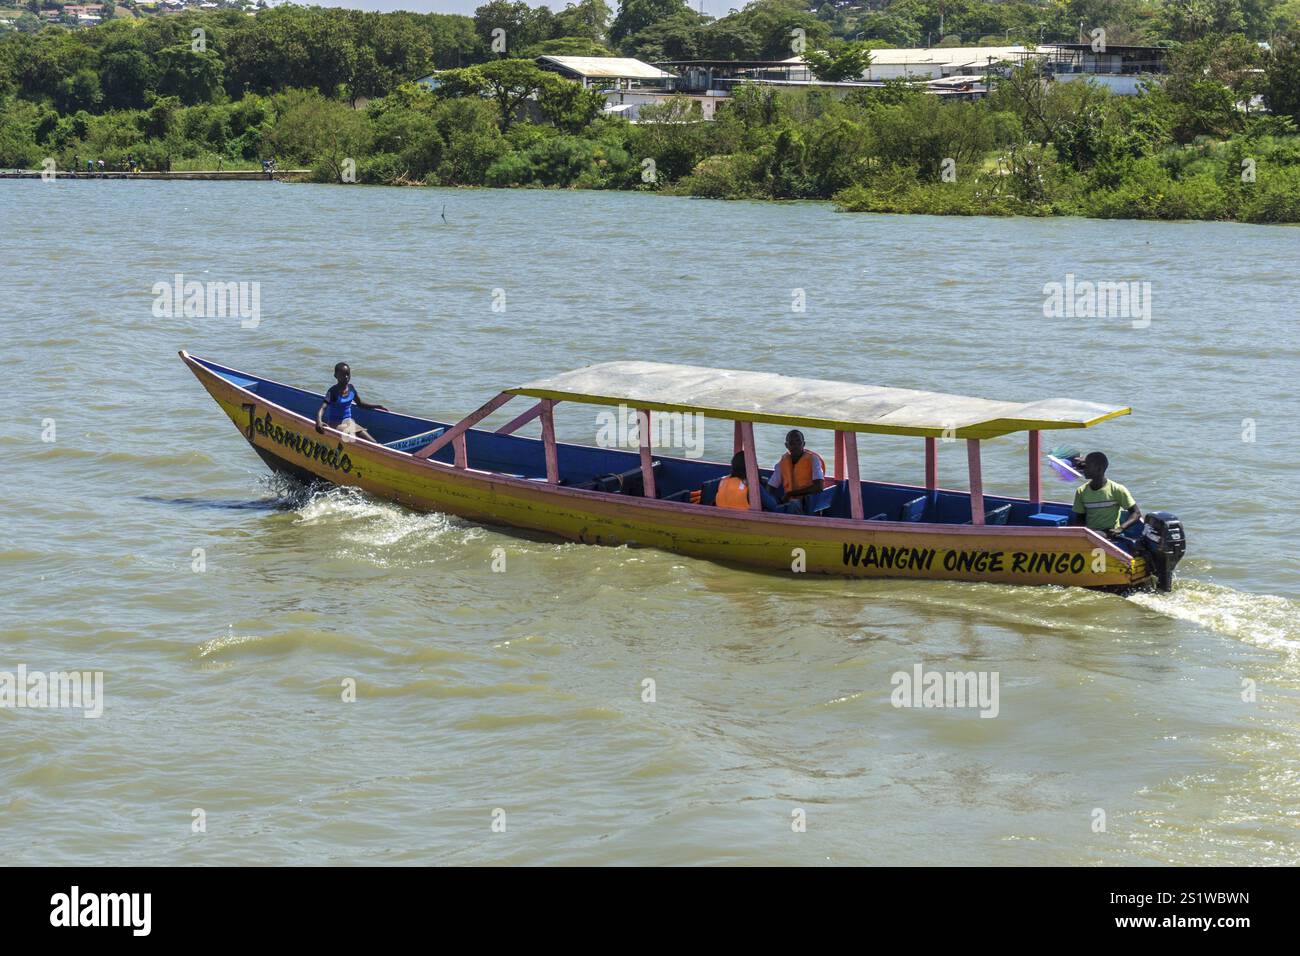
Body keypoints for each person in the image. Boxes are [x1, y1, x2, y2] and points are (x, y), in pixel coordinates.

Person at [1069, 451, 1142, 539]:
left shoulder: (1117, 489)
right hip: (1089, 533)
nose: (1084, 469)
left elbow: (1136, 513)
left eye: (1087, 466)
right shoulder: (1081, 491)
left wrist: (1120, 528)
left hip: (1109, 533)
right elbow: (1080, 519)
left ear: (1099, 469)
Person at [315, 363, 388, 442]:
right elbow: (323, 408)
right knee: (352, 438)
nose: (346, 377)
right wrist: (319, 421)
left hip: (348, 423)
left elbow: (360, 404)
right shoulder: (332, 391)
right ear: (336, 376)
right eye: (343, 375)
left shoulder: (351, 388)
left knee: (373, 442)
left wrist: (377, 406)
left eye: (347, 374)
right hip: (335, 424)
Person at [767, 429, 826, 513]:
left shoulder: (813, 460)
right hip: (789, 502)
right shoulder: (782, 463)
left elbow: (818, 487)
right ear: (786, 445)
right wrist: (772, 500)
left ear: (804, 444)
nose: (796, 446)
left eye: (799, 442)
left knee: (794, 504)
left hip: (809, 503)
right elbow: (771, 486)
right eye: (792, 443)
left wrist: (790, 494)